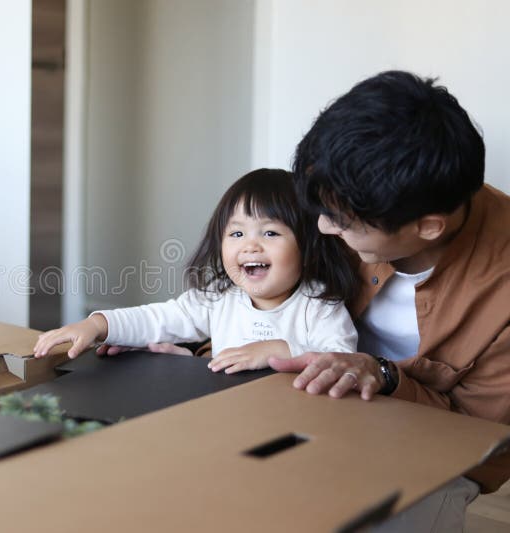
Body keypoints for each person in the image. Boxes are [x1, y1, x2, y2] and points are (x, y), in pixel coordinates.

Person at [268, 70, 510, 530]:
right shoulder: (346, 196)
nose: (321, 230)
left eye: (340, 221)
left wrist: (381, 374)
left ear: (428, 227)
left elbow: (477, 441)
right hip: (307, 406)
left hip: (432, 450)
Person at [34, 168, 359, 372]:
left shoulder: (318, 305)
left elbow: (343, 359)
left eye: (270, 233)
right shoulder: (219, 299)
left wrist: (279, 349)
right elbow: (158, 318)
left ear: (308, 245)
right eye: (236, 233)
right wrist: (98, 325)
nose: (250, 246)